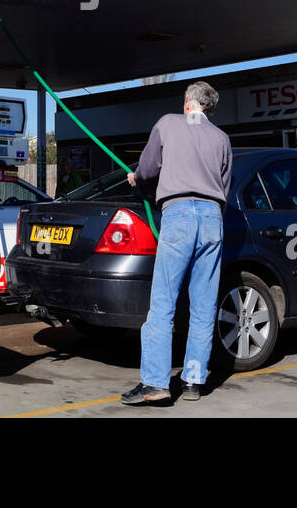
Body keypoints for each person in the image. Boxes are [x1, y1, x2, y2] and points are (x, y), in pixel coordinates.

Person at [120, 81, 232, 406]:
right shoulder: (222, 139)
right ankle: (194, 381)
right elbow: (224, 187)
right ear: (208, 108)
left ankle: (155, 383)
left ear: (187, 103)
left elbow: (148, 167)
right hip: (212, 218)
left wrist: (137, 179)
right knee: (203, 305)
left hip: (179, 214)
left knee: (163, 303)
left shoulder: (168, 123)